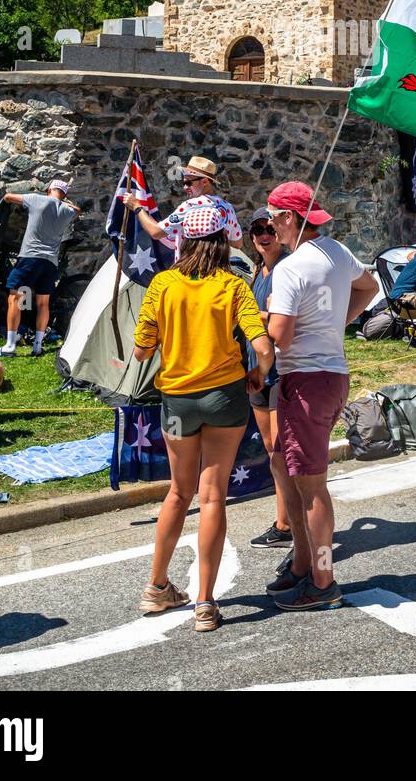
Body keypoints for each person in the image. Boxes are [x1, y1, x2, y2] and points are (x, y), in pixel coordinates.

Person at [132, 201, 273, 632]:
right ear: (221, 240)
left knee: (178, 492)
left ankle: (157, 587)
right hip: (225, 397)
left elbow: (141, 349)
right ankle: (205, 604)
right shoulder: (233, 286)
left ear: (185, 241)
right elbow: (264, 347)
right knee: (212, 497)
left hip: (176, 399)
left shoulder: (163, 284)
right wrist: (257, 374)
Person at [263, 181, 378, 611]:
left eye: (274, 216)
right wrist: (335, 323)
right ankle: (303, 561)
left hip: (306, 379)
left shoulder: (290, 269)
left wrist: (268, 314)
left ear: (291, 218)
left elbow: (281, 336)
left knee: (312, 487)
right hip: (331, 376)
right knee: (284, 464)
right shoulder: (337, 252)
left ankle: (324, 579)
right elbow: (368, 287)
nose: (271, 225)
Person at [245, 207, 292, 551]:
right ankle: (285, 521)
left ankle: (289, 523)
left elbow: (283, 319)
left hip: (281, 370)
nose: (264, 235)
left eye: (269, 229)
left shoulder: (287, 270)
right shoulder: (257, 271)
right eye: (257, 230)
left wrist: (247, 312)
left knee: (282, 451)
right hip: (257, 371)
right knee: (271, 450)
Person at [1, 181, 80, 355]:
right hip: (50, 262)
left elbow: (8, 197)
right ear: (64, 195)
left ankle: (10, 345)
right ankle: (37, 345)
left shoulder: (37, 199)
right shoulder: (67, 211)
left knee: (15, 299)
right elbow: (77, 210)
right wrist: (63, 201)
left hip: (30, 257)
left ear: (49, 190)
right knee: (43, 303)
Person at [126, 154, 243, 255]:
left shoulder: (191, 206)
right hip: (219, 274)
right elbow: (237, 243)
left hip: (192, 273)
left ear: (205, 182)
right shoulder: (228, 207)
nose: (185, 187)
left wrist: (137, 207)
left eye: (188, 183)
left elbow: (156, 232)